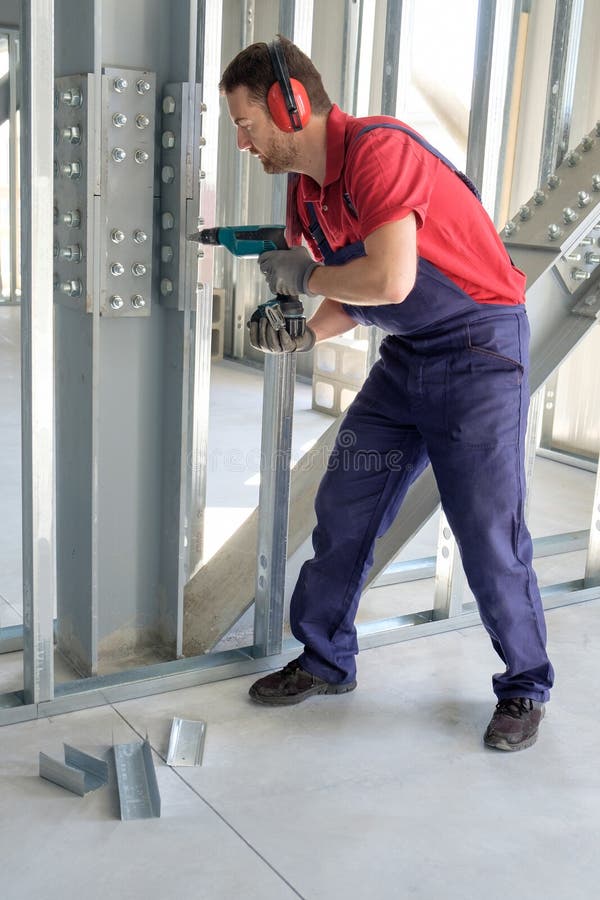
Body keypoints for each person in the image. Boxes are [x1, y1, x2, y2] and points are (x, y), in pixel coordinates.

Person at [218, 35, 554, 752]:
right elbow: (361, 291)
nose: (244, 143)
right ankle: (326, 657)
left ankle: (525, 683)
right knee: (346, 504)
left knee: (487, 530)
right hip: (408, 355)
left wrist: (302, 278)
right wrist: (306, 334)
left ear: (290, 103)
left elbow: (392, 280)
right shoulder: (305, 192)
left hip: (480, 353)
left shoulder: (378, 151)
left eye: (246, 124)